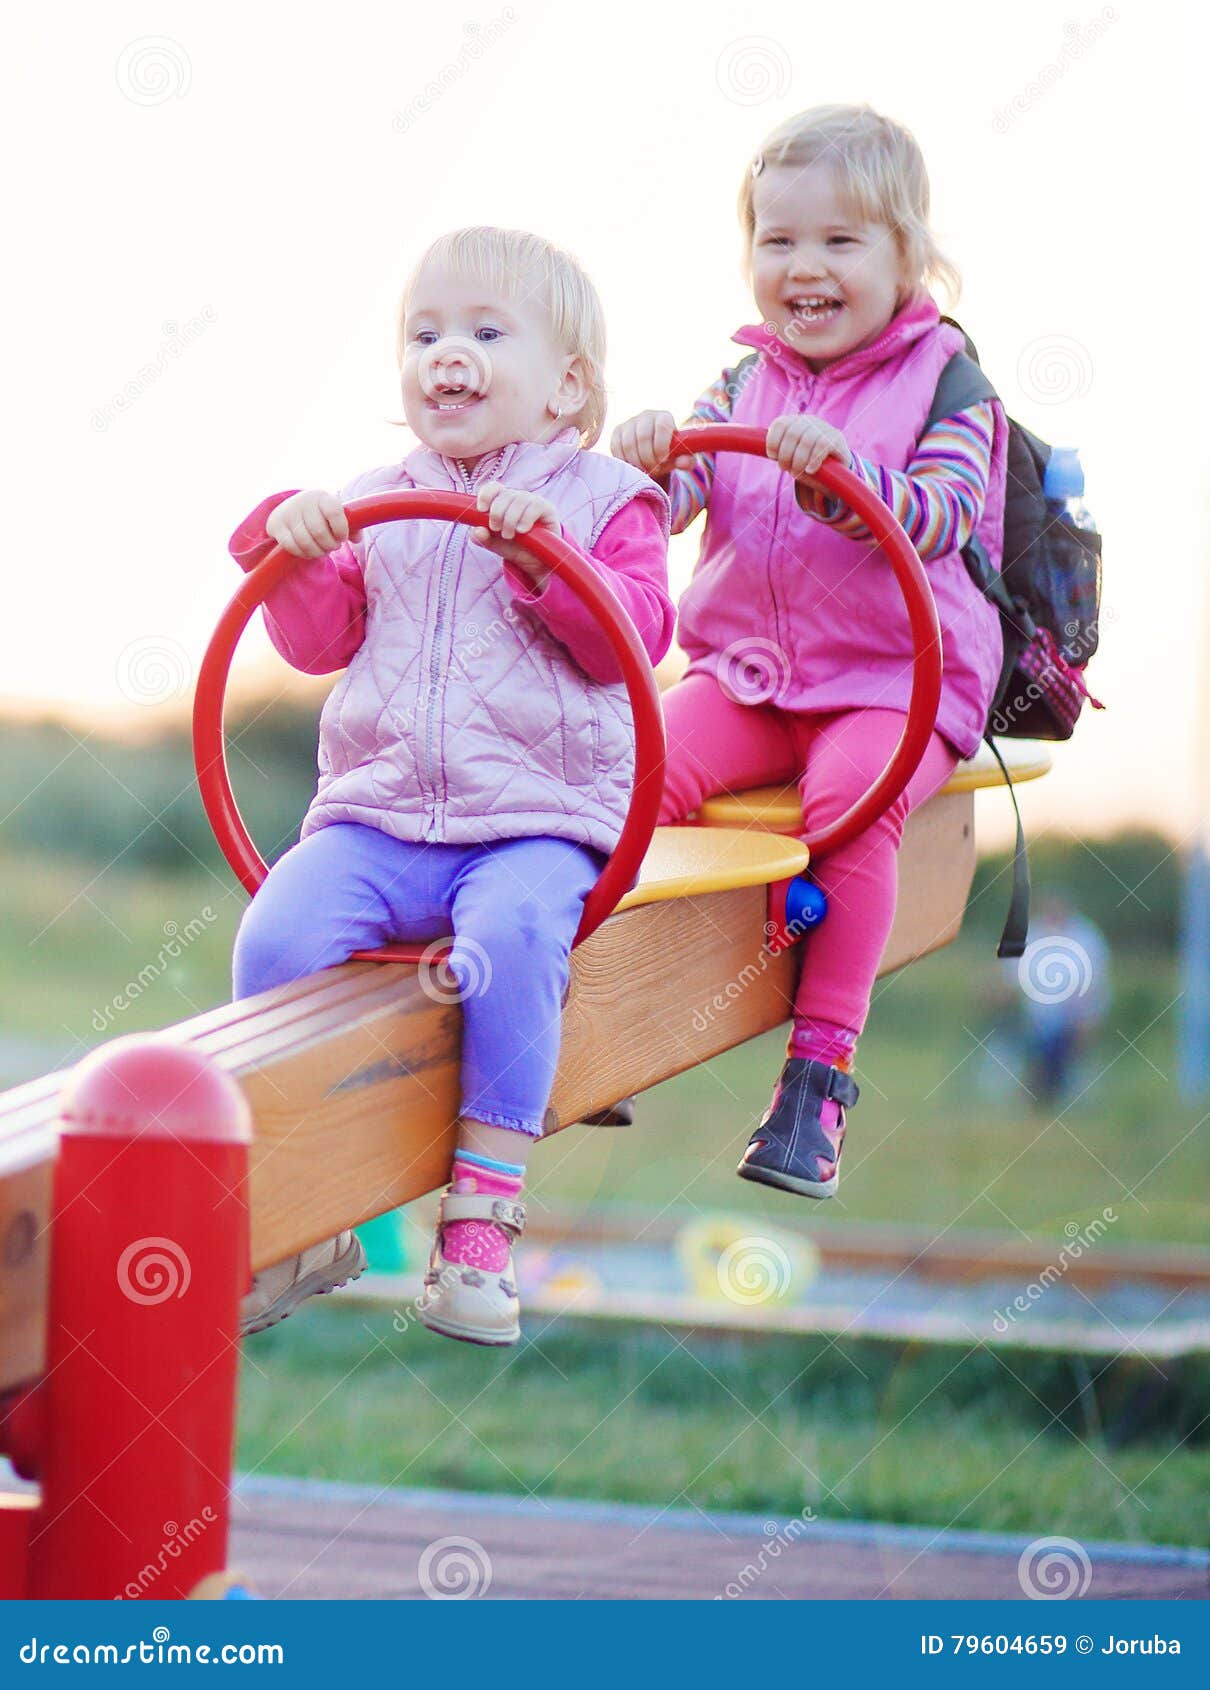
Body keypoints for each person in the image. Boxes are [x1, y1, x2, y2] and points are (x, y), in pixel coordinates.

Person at [228, 227, 673, 1345]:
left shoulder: (608, 498)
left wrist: (546, 563)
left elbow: (635, 638)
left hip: (533, 817)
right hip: (379, 814)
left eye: (483, 331)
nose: (445, 355)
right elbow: (321, 640)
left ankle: (480, 1220)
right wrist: (287, 557)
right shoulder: (378, 497)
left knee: (517, 937)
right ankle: (306, 1214)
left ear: (568, 381)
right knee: (275, 938)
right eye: (423, 334)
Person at [612, 103, 1007, 1200]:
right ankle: (604, 1012)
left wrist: (844, 484)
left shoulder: (949, 385)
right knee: (632, 770)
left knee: (849, 801)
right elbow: (674, 494)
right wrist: (647, 463)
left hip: (894, 680)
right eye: (777, 240)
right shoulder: (741, 381)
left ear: (907, 257)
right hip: (751, 674)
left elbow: (938, 514)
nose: (803, 267)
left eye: (839, 241)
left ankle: (817, 1077)